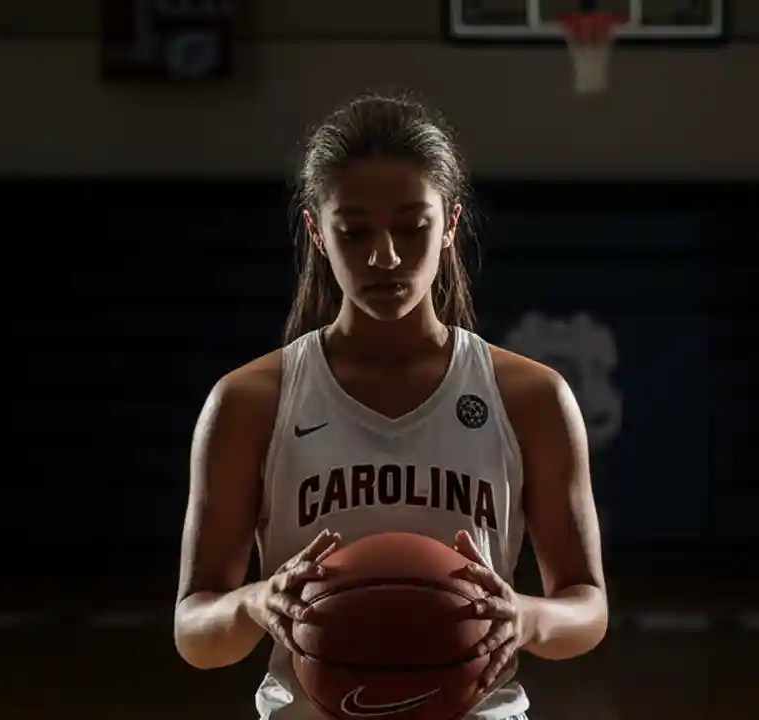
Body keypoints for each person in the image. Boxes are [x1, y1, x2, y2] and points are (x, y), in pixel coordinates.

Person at [172, 92, 609, 720]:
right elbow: (194, 629)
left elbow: (587, 605)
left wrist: (528, 617)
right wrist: (256, 603)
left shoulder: (531, 398)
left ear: (451, 225)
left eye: (413, 227)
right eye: (354, 231)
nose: (386, 257)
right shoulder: (248, 402)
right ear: (316, 233)